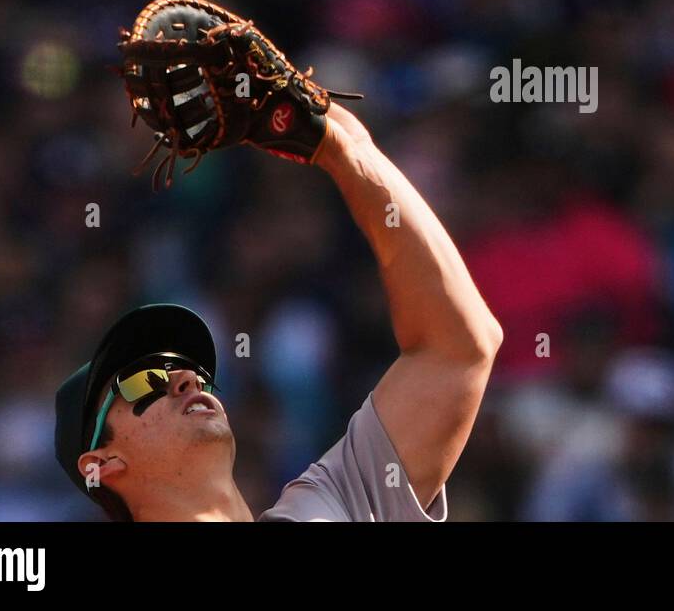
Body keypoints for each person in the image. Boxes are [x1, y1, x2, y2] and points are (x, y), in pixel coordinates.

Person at [54, 101, 503, 521]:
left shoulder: (327, 507)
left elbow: (458, 348)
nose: (185, 378)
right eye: (141, 382)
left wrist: (346, 151)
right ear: (103, 462)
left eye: (185, 367)